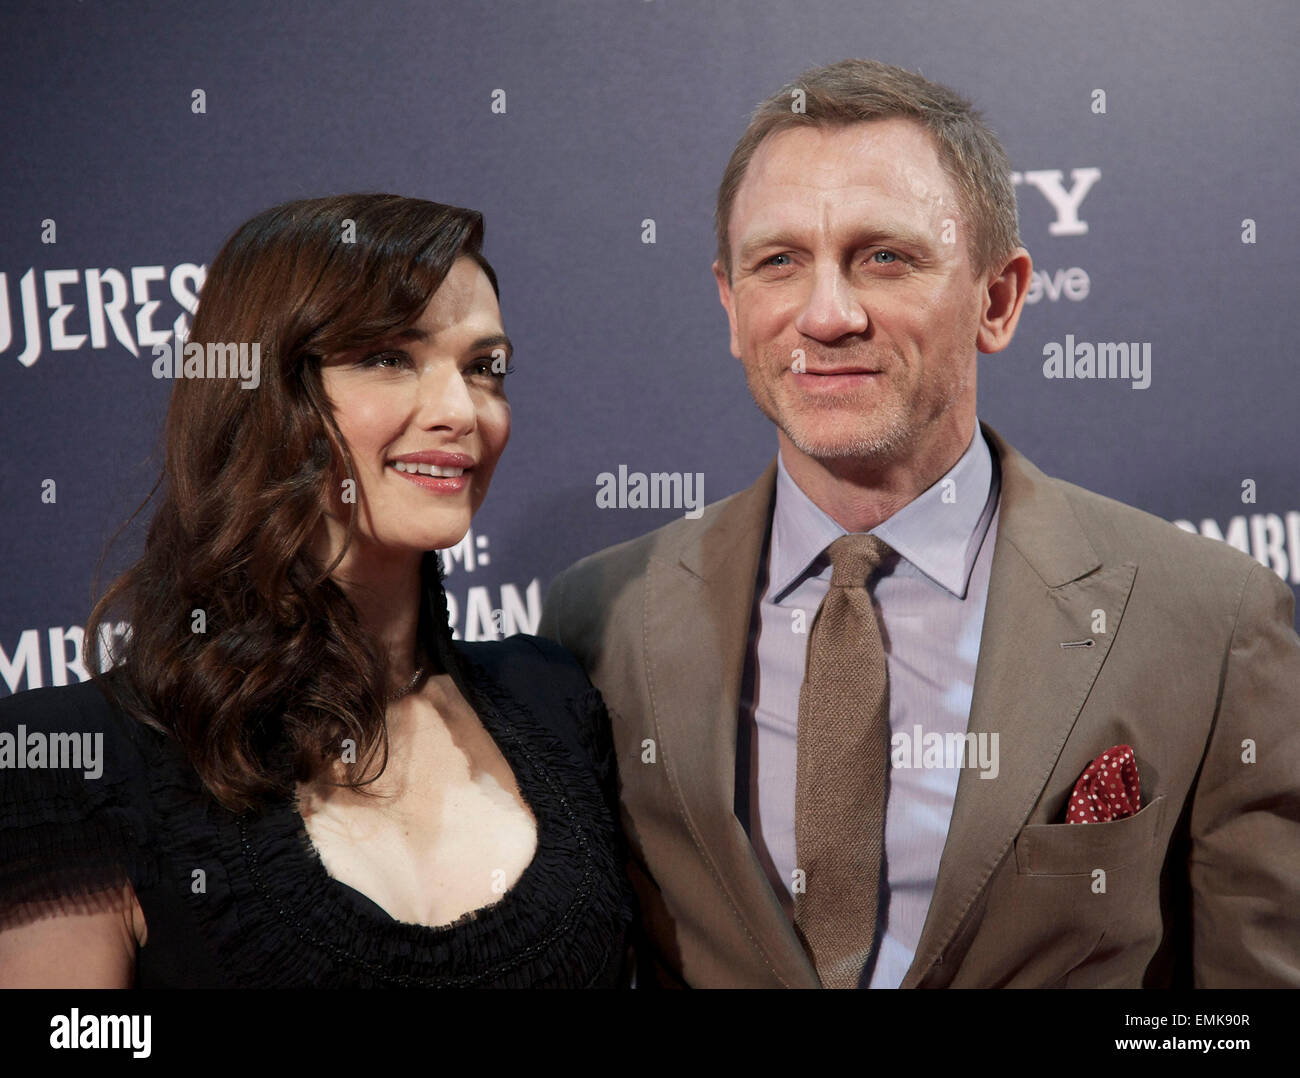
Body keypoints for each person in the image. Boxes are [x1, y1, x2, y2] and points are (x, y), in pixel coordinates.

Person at [539, 59, 1300, 988]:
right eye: (779, 262)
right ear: (732, 308)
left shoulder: (1211, 620)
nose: (827, 315)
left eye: (885, 257)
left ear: (1000, 298)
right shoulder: (598, 620)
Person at [0, 194, 634, 987]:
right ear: (265, 390)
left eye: (483, 369)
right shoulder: (78, 765)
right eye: (388, 357)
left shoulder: (551, 699)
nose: (458, 411)